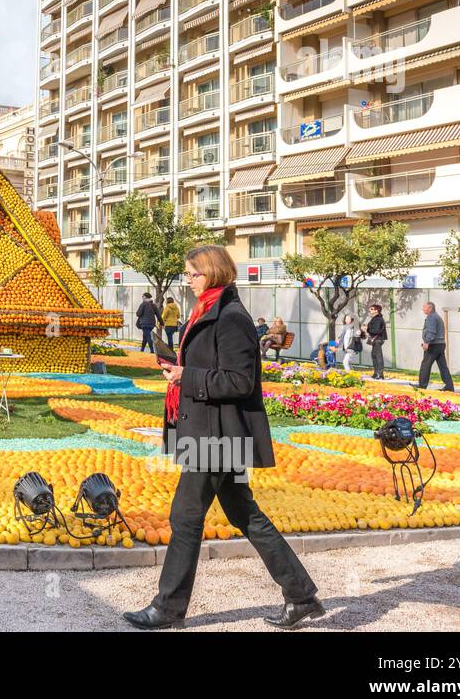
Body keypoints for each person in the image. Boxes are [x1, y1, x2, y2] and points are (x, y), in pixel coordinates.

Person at [123, 244, 323, 631]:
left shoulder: (231, 317)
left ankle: (168, 608)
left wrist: (186, 377)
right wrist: (182, 369)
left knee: (185, 516)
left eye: (193, 273)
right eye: (187, 273)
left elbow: (239, 380)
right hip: (209, 430)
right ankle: (300, 595)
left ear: (213, 272)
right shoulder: (208, 310)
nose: (188, 279)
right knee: (243, 513)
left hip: (217, 434)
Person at [418, 301, 454, 392]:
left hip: (433, 345)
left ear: (430, 308)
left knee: (425, 365)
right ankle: (449, 387)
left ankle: (422, 385)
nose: (422, 308)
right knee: (443, 366)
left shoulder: (431, 318)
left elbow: (431, 331)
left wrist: (427, 342)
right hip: (440, 344)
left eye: (424, 307)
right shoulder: (437, 316)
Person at [365, 304, 387, 379]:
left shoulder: (378, 319)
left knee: (378, 356)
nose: (370, 310)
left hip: (378, 339)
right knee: (374, 356)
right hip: (376, 340)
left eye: (371, 309)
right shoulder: (375, 318)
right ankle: (376, 373)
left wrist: (367, 329)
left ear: (376, 310)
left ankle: (380, 374)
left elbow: (376, 330)